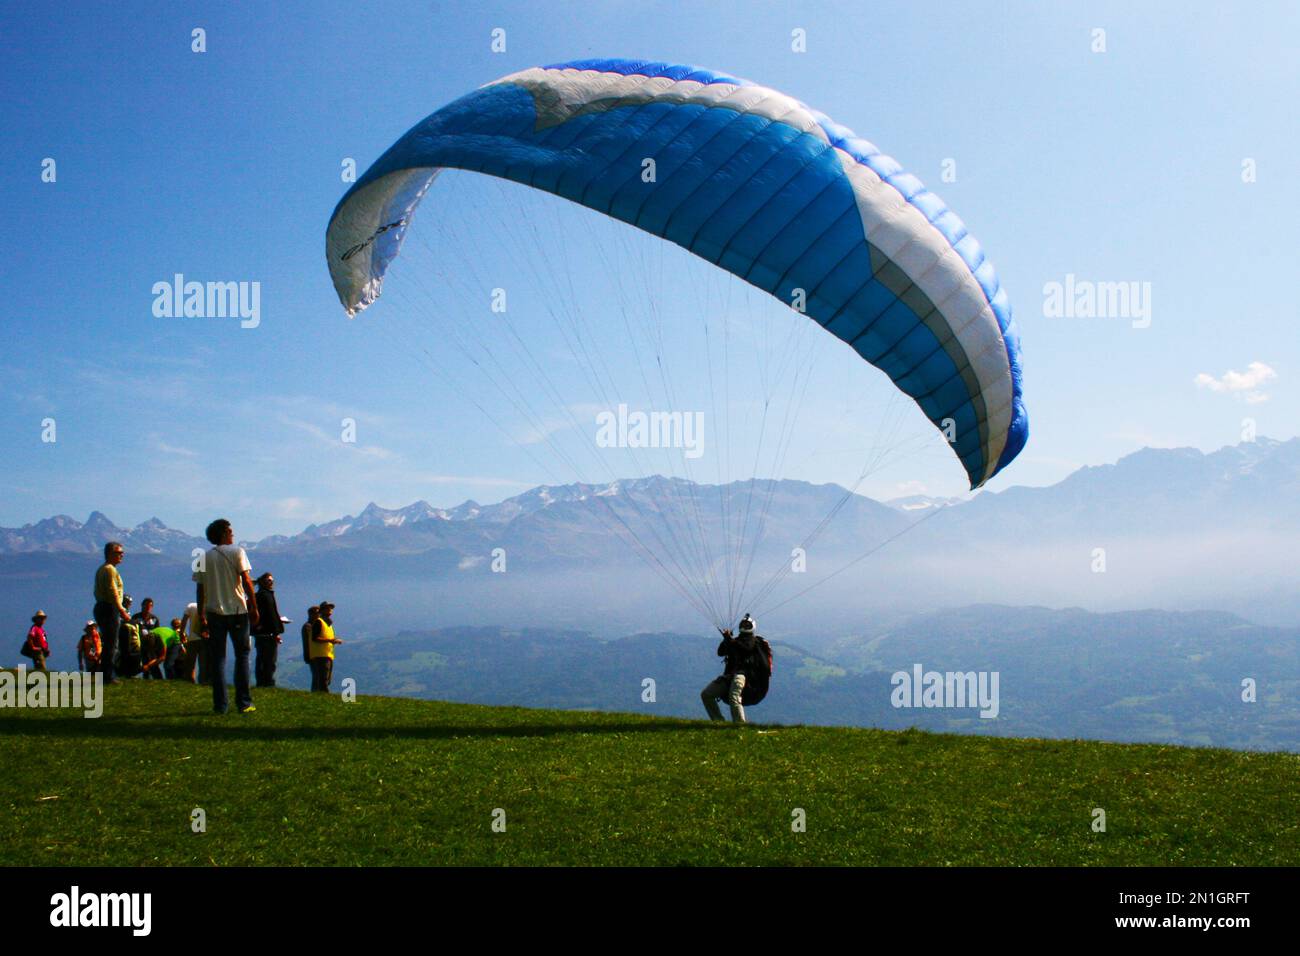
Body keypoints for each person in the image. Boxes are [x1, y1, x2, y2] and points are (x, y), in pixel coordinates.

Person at [194, 518, 260, 715]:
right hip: (238, 612)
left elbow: (200, 589)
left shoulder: (203, 558)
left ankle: (220, 705)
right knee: (242, 656)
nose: (233, 534)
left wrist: (201, 614)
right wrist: (254, 606)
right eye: (230, 531)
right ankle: (244, 703)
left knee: (218, 659)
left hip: (214, 613)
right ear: (223, 533)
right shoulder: (237, 552)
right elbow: (246, 580)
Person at [701, 614, 764, 724]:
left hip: (744, 675)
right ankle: (719, 722)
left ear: (752, 627)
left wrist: (731, 640)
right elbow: (720, 652)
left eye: (747, 625)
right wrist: (726, 639)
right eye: (743, 624)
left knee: (734, 696)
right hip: (729, 675)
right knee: (707, 694)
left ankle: (740, 725)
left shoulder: (753, 641)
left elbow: (746, 649)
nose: (745, 626)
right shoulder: (735, 641)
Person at [93, 541, 130, 684]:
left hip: (101, 607)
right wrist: (121, 610)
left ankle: (104, 673)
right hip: (109, 608)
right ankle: (108, 676)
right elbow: (113, 591)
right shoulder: (110, 570)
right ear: (110, 554)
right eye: (119, 552)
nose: (122, 555)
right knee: (112, 643)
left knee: (109, 642)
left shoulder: (102, 569)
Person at [252, 572, 285, 688]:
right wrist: (275, 629)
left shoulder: (263, 595)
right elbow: (269, 615)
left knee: (265, 659)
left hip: (264, 632)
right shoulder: (264, 596)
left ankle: (263, 682)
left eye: (272, 580)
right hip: (266, 633)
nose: (271, 582)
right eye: (268, 580)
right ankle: (267, 683)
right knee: (268, 661)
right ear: (262, 583)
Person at [309, 600, 343, 692]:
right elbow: (314, 638)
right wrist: (331, 640)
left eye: (331, 608)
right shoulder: (319, 622)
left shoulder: (329, 624)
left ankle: (321, 694)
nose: (330, 610)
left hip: (328, 654)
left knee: (327, 678)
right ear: (322, 610)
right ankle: (323, 695)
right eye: (327, 608)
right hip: (320, 655)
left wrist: (333, 641)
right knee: (323, 679)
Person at [179, 601, 207, 684]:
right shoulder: (210, 606)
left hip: (192, 639)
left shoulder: (191, 606)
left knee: (190, 662)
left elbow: (184, 620)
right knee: (203, 662)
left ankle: (190, 680)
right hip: (205, 639)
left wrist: (181, 633)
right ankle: (203, 681)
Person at [117, 595, 142, 678]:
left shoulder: (127, 612)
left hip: (127, 636)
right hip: (120, 634)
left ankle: (127, 671)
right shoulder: (119, 611)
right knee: (119, 652)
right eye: (127, 602)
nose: (128, 604)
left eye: (129, 603)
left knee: (127, 653)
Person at [301, 605, 319, 672]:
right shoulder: (308, 626)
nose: (319, 615)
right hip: (313, 656)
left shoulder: (310, 625)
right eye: (317, 613)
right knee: (317, 678)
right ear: (311, 614)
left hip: (314, 656)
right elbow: (312, 640)